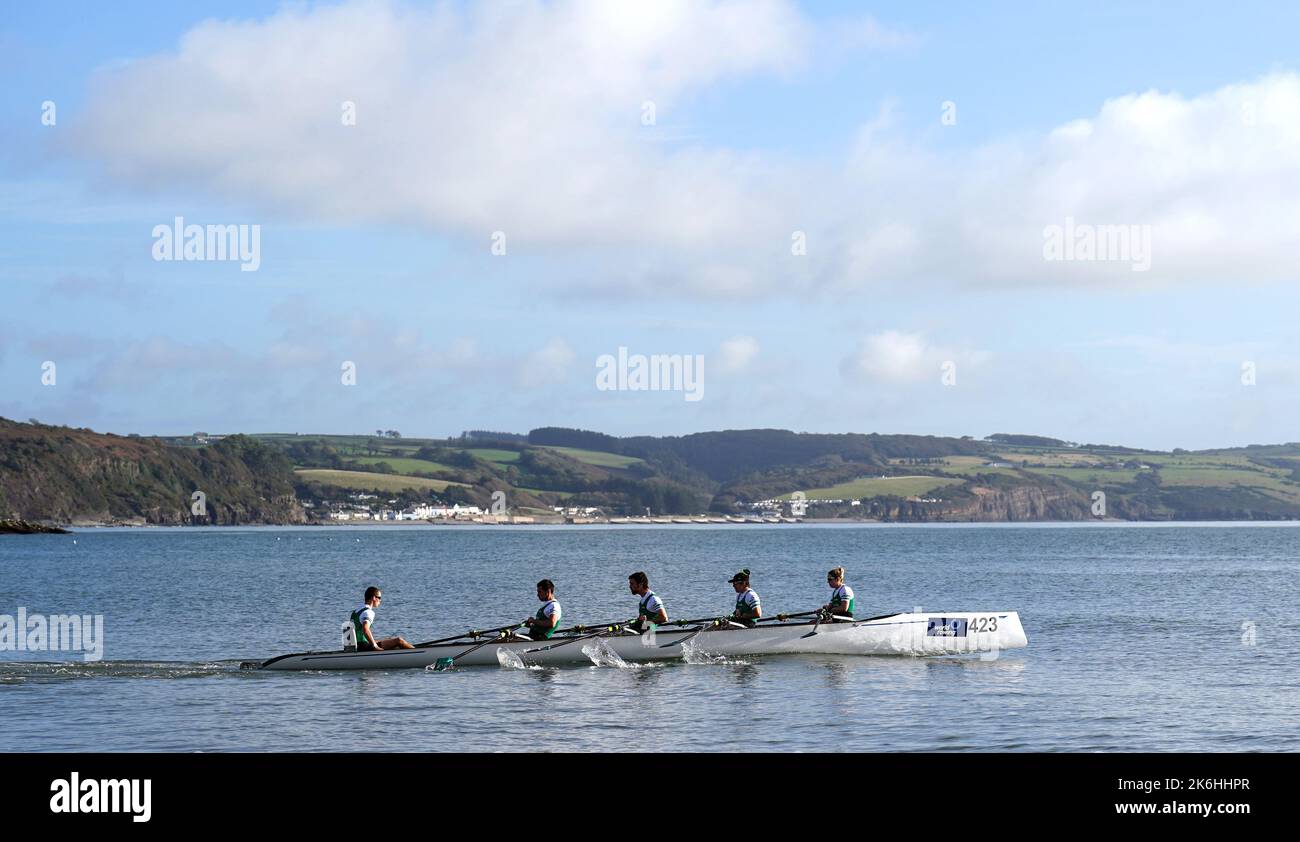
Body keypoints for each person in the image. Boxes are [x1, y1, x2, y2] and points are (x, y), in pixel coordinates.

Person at [350, 586, 414, 650]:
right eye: (379, 598)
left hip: (356, 646)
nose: (380, 600)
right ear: (374, 597)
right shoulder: (368, 612)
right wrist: (375, 646)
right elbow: (365, 629)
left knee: (388, 640)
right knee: (399, 641)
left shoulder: (356, 611)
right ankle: (418, 652)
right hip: (363, 647)